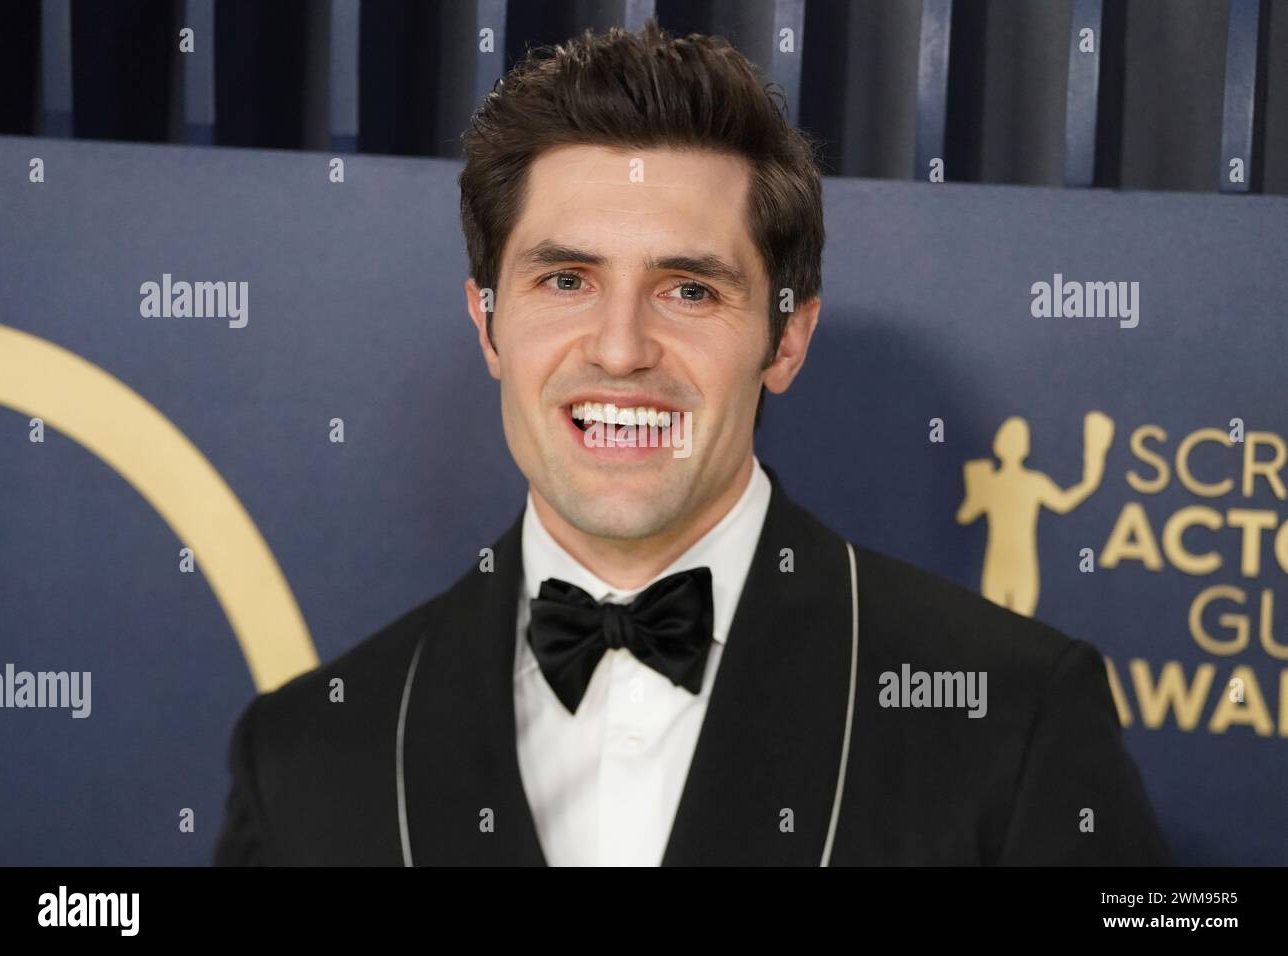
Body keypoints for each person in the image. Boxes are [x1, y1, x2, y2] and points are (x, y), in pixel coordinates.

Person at [213, 19, 1169, 866]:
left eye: (691, 289)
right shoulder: (307, 755)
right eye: (567, 281)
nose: (622, 350)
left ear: (786, 338)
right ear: (488, 324)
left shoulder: (1013, 715)